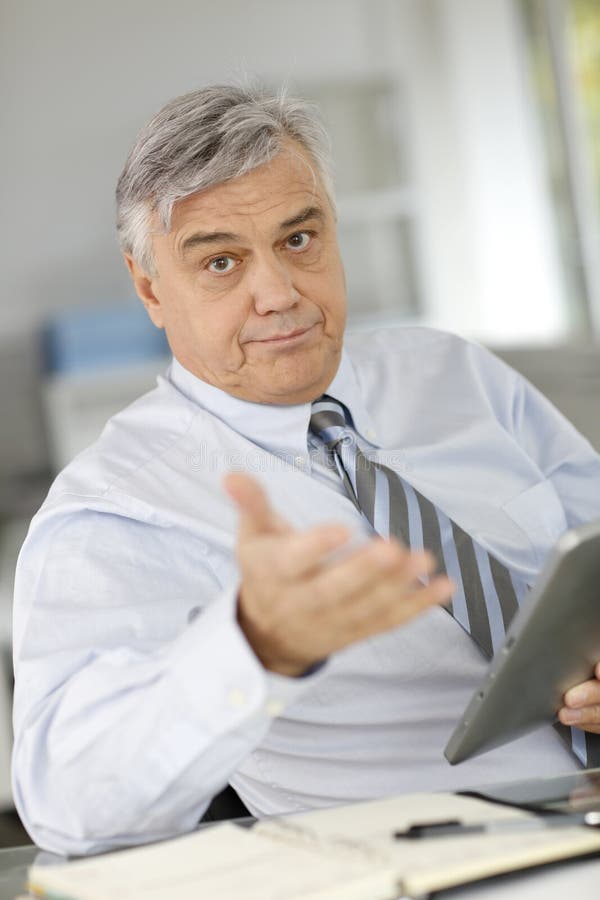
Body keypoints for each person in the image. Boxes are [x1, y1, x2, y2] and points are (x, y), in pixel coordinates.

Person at [12, 85, 600, 856]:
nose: (279, 295)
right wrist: (255, 647)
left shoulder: (451, 373)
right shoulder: (116, 511)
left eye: (298, 240)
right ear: (151, 287)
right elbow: (64, 804)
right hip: (442, 866)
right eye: (221, 262)